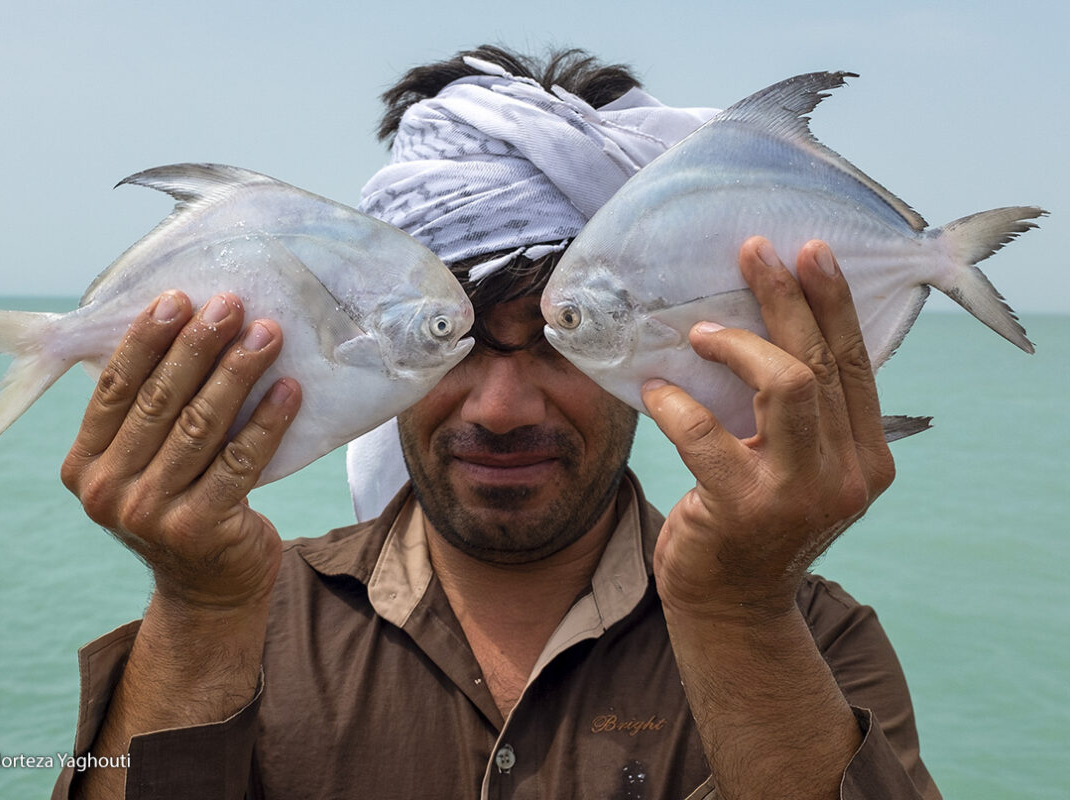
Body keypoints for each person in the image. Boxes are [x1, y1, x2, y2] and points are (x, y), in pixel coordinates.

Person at [51, 46, 940, 799]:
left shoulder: (813, 638)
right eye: (456, 343)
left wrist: (740, 613)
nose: (502, 410)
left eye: (559, 343)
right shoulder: (245, 611)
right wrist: (199, 609)